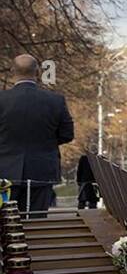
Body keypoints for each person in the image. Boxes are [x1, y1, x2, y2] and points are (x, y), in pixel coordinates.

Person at [0, 54, 75, 213]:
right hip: (42, 169)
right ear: (38, 71)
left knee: (6, 222)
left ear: (12, 71)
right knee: (37, 220)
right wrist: (45, 141)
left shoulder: (2, 99)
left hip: (5, 171)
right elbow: (67, 134)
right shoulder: (55, 100)